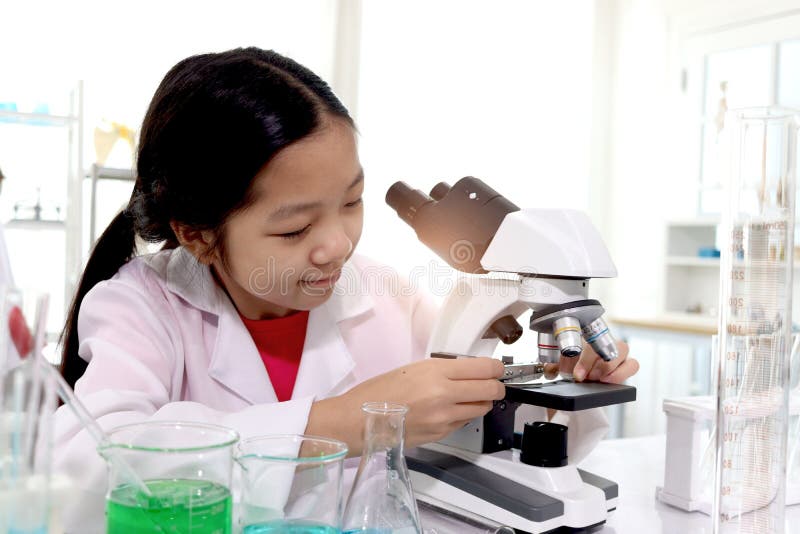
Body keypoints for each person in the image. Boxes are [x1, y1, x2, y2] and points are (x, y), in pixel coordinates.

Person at [54, 47, 639, 531]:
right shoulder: (141, 307)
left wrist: (562, 384)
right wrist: (347, 421)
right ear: (198, 235)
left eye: (352, 202)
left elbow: (489, 438)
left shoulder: (385, 295)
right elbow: (89, 472)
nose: (337, 245)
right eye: (296, 228)